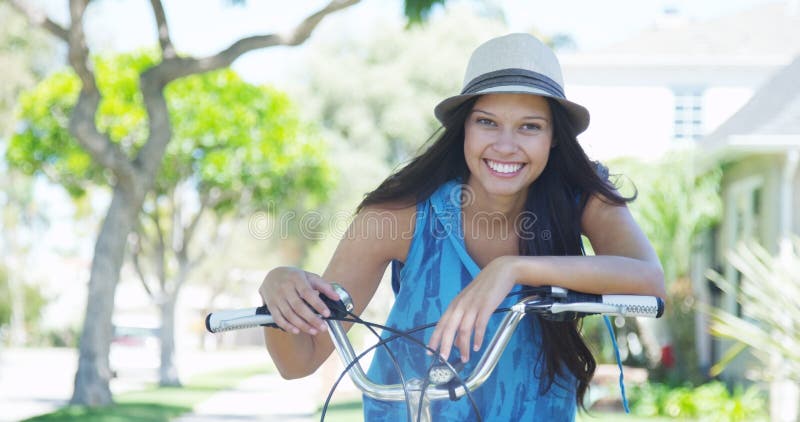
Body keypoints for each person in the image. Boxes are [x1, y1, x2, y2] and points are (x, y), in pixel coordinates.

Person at [258, 33, 665, 421]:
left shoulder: (581, 197)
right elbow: (299, 361)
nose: (505, 145)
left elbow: (648, 280)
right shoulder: (399, 214)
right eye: (487, 122)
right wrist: (277, 294)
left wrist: (512, 269)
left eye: (530, 126)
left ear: (555, 136)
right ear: (464, 128)